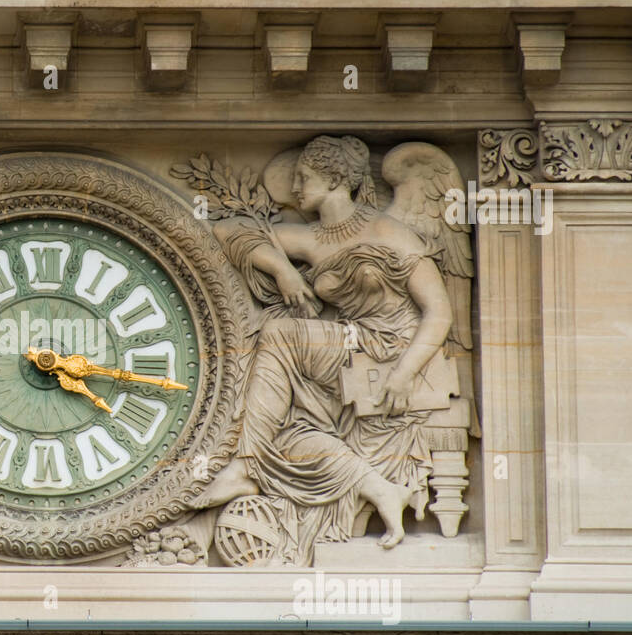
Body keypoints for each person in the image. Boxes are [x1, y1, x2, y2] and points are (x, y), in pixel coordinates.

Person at [189, 135, 452, 556]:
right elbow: (228, 229)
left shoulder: (390, 232)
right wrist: (283, 271)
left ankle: (245, 464)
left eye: (304, 177)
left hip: (392, 348)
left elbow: (439, 312)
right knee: (295, 435)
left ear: (334, 179)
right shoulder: (312, 239)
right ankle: (380, 490)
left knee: (280, 332)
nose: (295, 188)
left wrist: (405, 373)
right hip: (347, 350)